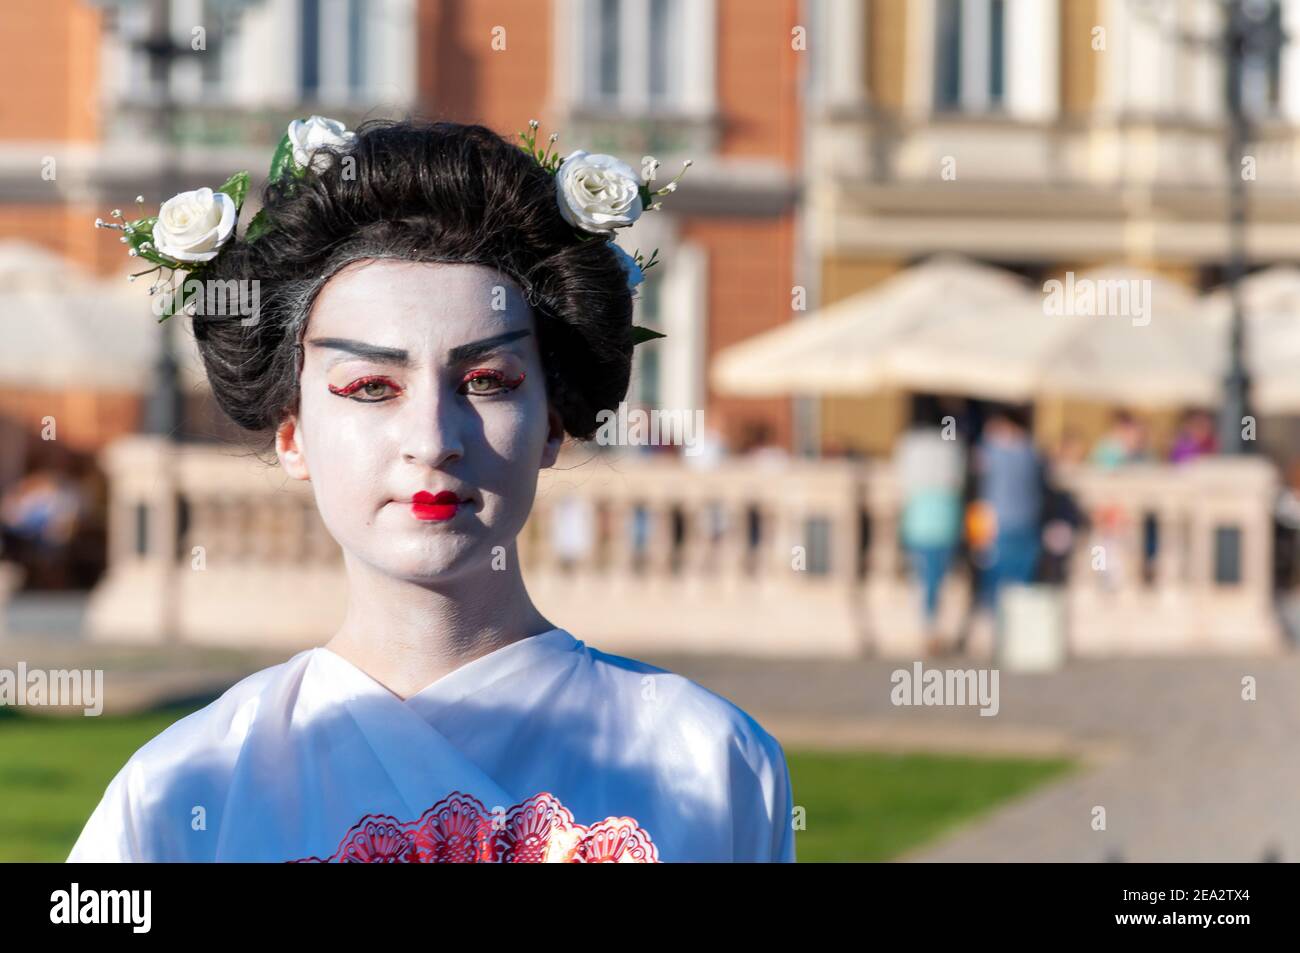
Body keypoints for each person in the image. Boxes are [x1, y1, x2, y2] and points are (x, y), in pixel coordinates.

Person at [68, 118, 793, 863]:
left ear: (551, 421)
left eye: (486, 381)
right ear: (292, 433)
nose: (433, 436)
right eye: (371, 385)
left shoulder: (711, 762)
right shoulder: (180, 793)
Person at [893, 401, 965, 653]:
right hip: (945, 519)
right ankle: (932, 628)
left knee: (922, 577)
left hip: (918, 519)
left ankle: (928, 628)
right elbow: (957, 480)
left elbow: (901, 480)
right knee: (938, 578)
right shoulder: (952, 444)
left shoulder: (909, 444)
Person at [971, 408, 1045, 609]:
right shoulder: (1032, 451)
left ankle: (998, 625)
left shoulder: (992, 451)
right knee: (1020, 583)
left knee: (997, 581)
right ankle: (1013, 628)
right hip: (1025, 522)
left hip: (1000, 524)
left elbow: (977, 473)